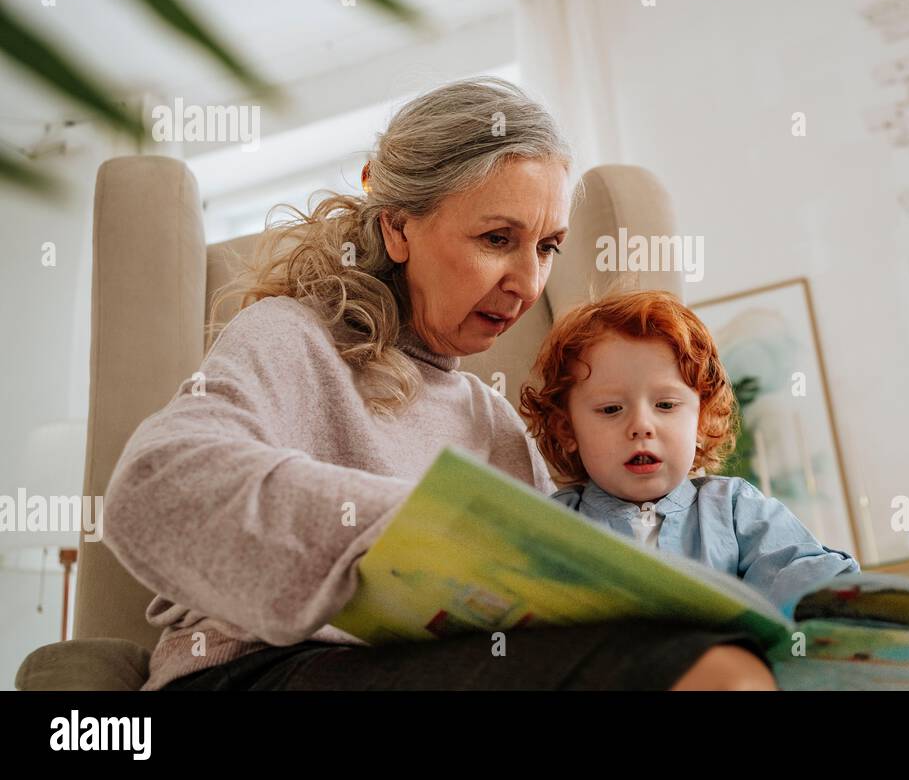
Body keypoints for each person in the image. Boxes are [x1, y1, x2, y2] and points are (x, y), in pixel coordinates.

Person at [101, 77, 775, 691]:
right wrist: (428, 531)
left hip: (424, 668)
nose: (527, 283)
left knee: (721, 656)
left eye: (546, 248)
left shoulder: (494, 422)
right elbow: (154, 487)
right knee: (709, 673)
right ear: (397, 226)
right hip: (254, 673)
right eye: (496, 238)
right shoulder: (293, 338)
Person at [518, 289, 860, 613]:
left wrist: (836, 597)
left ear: (701, 424)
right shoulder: (553, 524)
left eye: (665, 404)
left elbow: (799, 572)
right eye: (610, 409)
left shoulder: (734, 508)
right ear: (567, 429)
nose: (641, 426)